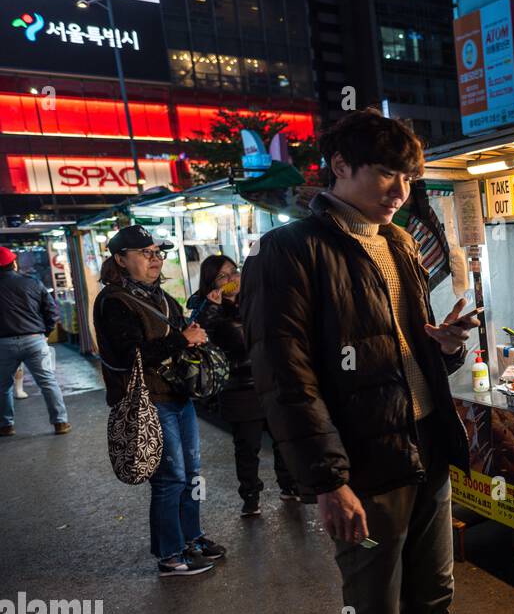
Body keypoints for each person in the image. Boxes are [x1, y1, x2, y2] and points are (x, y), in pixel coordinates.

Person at [244, 108, 514, 614]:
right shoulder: (290, 251)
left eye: (408, 174)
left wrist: (441, 347)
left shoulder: (397, 243)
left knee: (436, 601)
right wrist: (327, 479)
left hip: (426, 444)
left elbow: (400, 348)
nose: (400, 187)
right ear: (339, 165)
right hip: (363, 465)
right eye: (387, 171)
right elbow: (287, 377)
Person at [92, 226, 226, 577]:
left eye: (157, 252)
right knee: (170, 479)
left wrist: (201, 323)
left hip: (177, 395)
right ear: (120, 259)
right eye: (145, 253)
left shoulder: (161, 296)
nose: (155, 259)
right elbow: (130, 353)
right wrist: (182, 340)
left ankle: (192, 538)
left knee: (192, 473)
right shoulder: (113, 301)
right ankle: (170, 555)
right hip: (147, 401)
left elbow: (186, 334)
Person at [187, 254, 296, 517]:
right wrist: (211, 310)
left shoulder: (253, 300)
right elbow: (202, 341)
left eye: (233, 272)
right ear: (211, 283)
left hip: (270, 382)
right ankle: (250, 497)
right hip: (240, 387)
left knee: (284, 438)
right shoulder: (205, 309)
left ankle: (289, 486)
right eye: (222, 277)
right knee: (248, 447)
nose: (231, 280)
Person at [0, 245, 70, 436]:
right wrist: (46, 332)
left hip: (3, 344)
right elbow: (51, 310)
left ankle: (6, 425)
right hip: (34, 339)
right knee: (48, 382)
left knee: (3, 386)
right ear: (13, 263)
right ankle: (60, 423)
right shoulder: (32, 282)